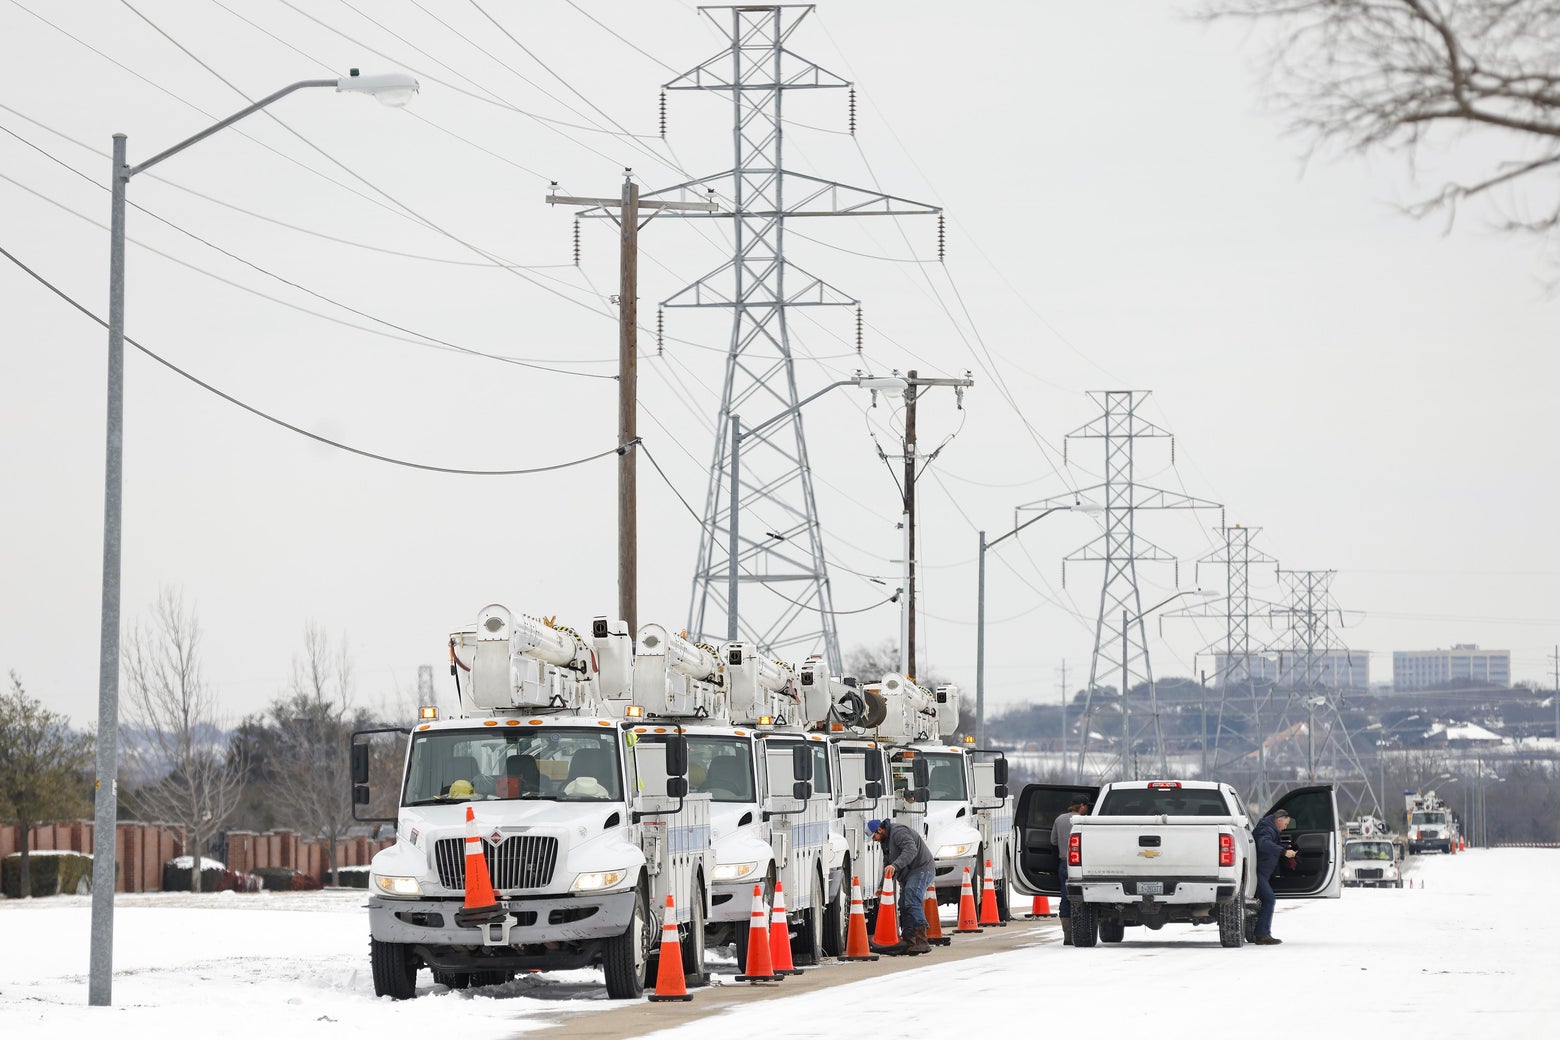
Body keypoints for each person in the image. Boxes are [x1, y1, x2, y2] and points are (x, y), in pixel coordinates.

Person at [868, 818, 935, 955]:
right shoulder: (885, 841)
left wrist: (895, 866)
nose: (874, 840)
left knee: (911, 898)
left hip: (921, 868)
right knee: (904, 903)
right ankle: (909, 940)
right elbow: (888, 864)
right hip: (909, 873)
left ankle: (921, 940)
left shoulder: (898, 832)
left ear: (879, 830)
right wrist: (883, 885)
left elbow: (911, 850)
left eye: (874, 836)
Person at [1252, 808, 1298, 945]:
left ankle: (1261, 932)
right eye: (1285, 824)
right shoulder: (1267, 829)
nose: (1285, 827)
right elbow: (1264, 844)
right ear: (1279, 820)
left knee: (1265, 900)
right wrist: (1284, 852)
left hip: (1262, 873)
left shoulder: (1270, 828)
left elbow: (1272, 844)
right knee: (1269, 899)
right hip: (1257, 872)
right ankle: (1262, 934)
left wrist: (1288, 847)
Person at [1051, 800, 1086, 945]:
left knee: (1066, 897)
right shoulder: (1084, 821)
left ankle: (1068, 935)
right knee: (1085, 898)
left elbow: (1053, 841)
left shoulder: (1059, 819)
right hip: (1082, 864)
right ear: (1082, 805)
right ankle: (1082, 929)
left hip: (1064, 864)